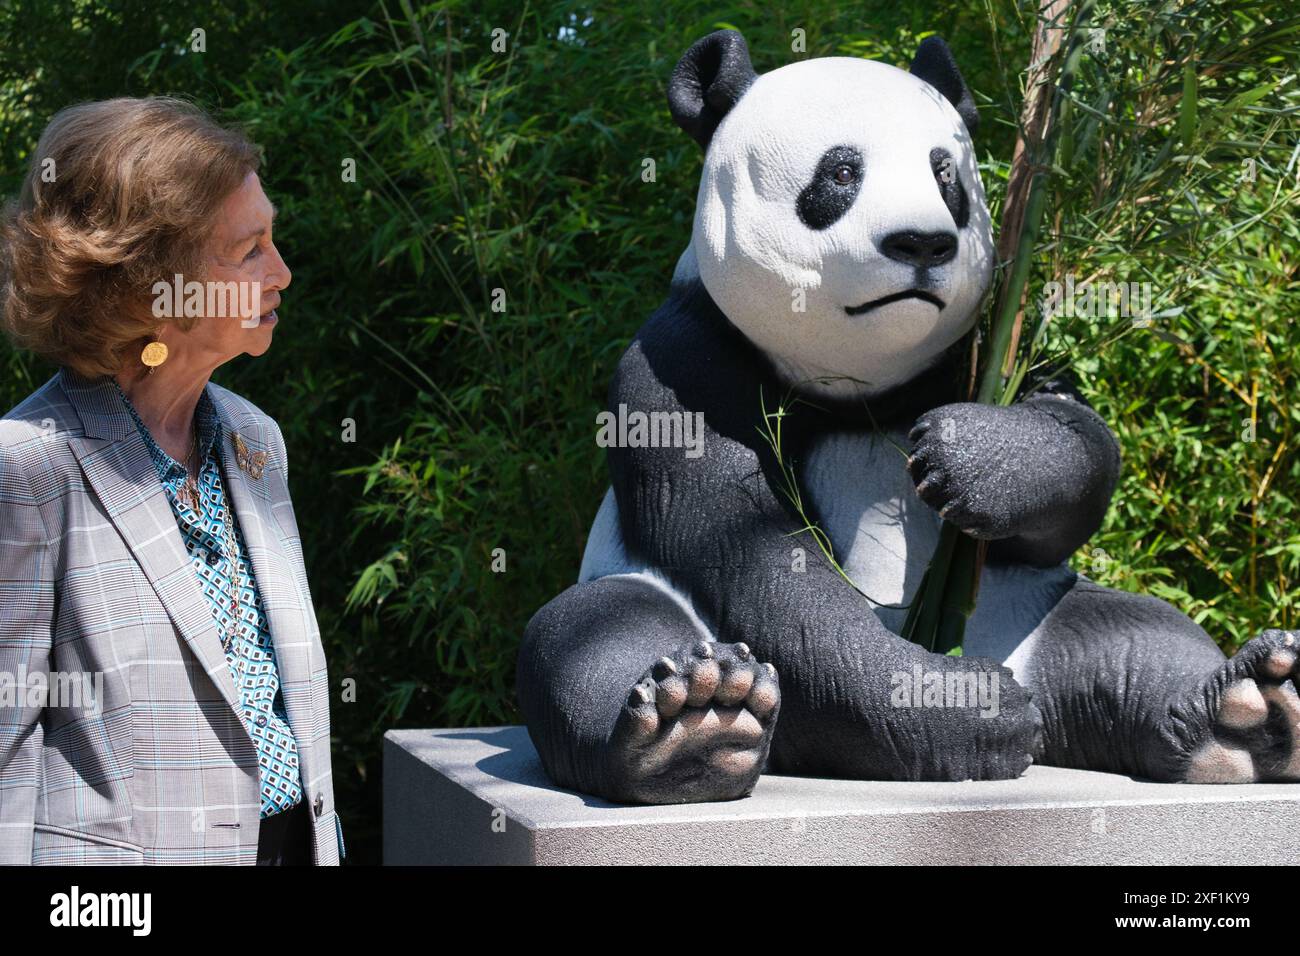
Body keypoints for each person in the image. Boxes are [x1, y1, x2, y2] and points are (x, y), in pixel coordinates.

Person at [0, 96, 343, 865]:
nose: (281, 272)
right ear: (151, 281)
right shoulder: (28, 467)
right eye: (249, 249)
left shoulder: (256, 441)